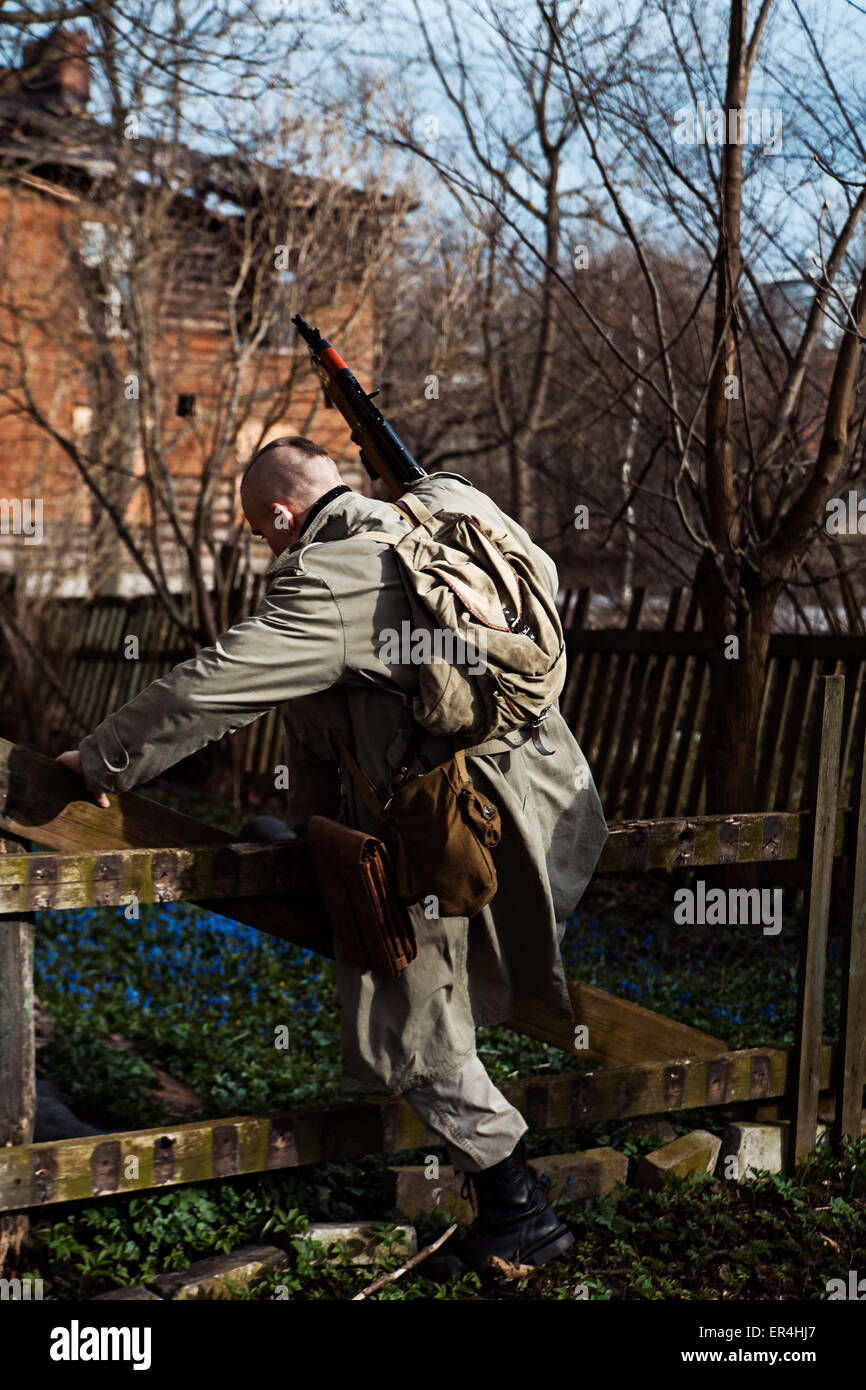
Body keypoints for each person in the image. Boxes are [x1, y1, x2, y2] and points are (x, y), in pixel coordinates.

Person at [58, 435, 609, 1277]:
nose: (268, 549)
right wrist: (309, 827)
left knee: (409, 1028)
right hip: (544, 796)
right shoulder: (451, 512)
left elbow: (214, 685)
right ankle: (506, 1204)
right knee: (432, 1004)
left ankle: (518, 1211)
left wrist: (100, 760)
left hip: (442, 832)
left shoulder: (334, 577)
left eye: (263, 533)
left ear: (282, 516)